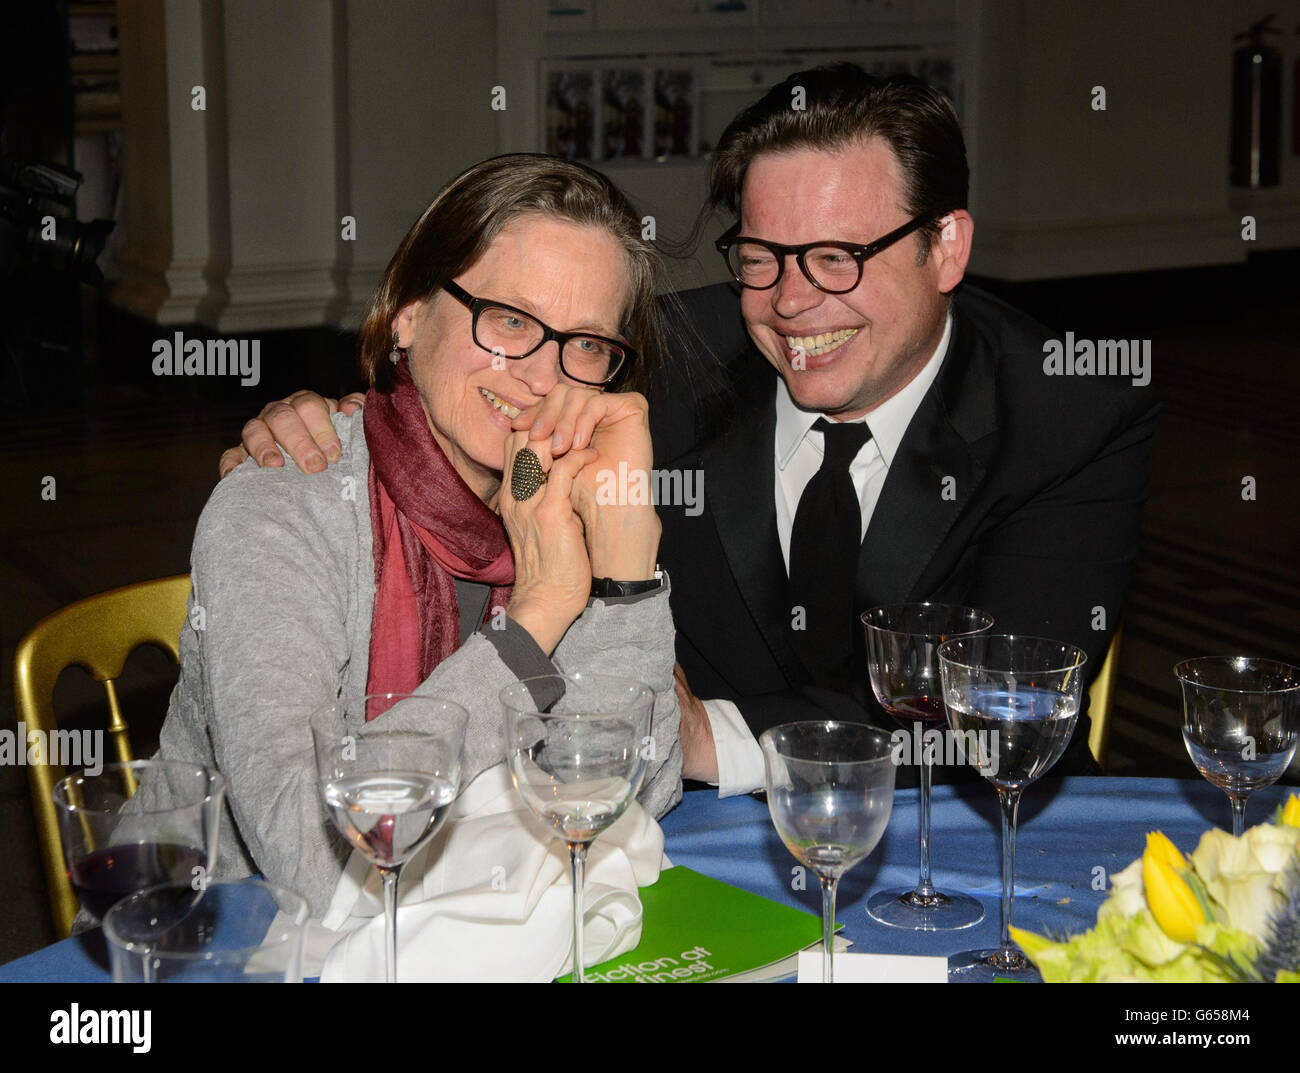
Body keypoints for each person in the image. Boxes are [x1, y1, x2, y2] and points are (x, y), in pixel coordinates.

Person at [225, 66, 1157, 797]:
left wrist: (718, 737)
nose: (792, 303)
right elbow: (483, 390)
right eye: (760, 257)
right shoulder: (661, 358)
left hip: (924, 827)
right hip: (647, 837)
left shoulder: (1066, 410)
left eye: (836, 258)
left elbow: (1008, 715)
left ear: (945, 246)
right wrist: (336, 424)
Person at [142, 154, 682, 917]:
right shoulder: (280, 505)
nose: (540, 376)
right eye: (510, 319)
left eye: (586, 343)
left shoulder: (572, 500)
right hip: (221, 940)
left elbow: (634, 803)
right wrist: (534, 622)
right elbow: (312, 853)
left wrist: (626, 571)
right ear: (410, 310)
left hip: (471, 928)